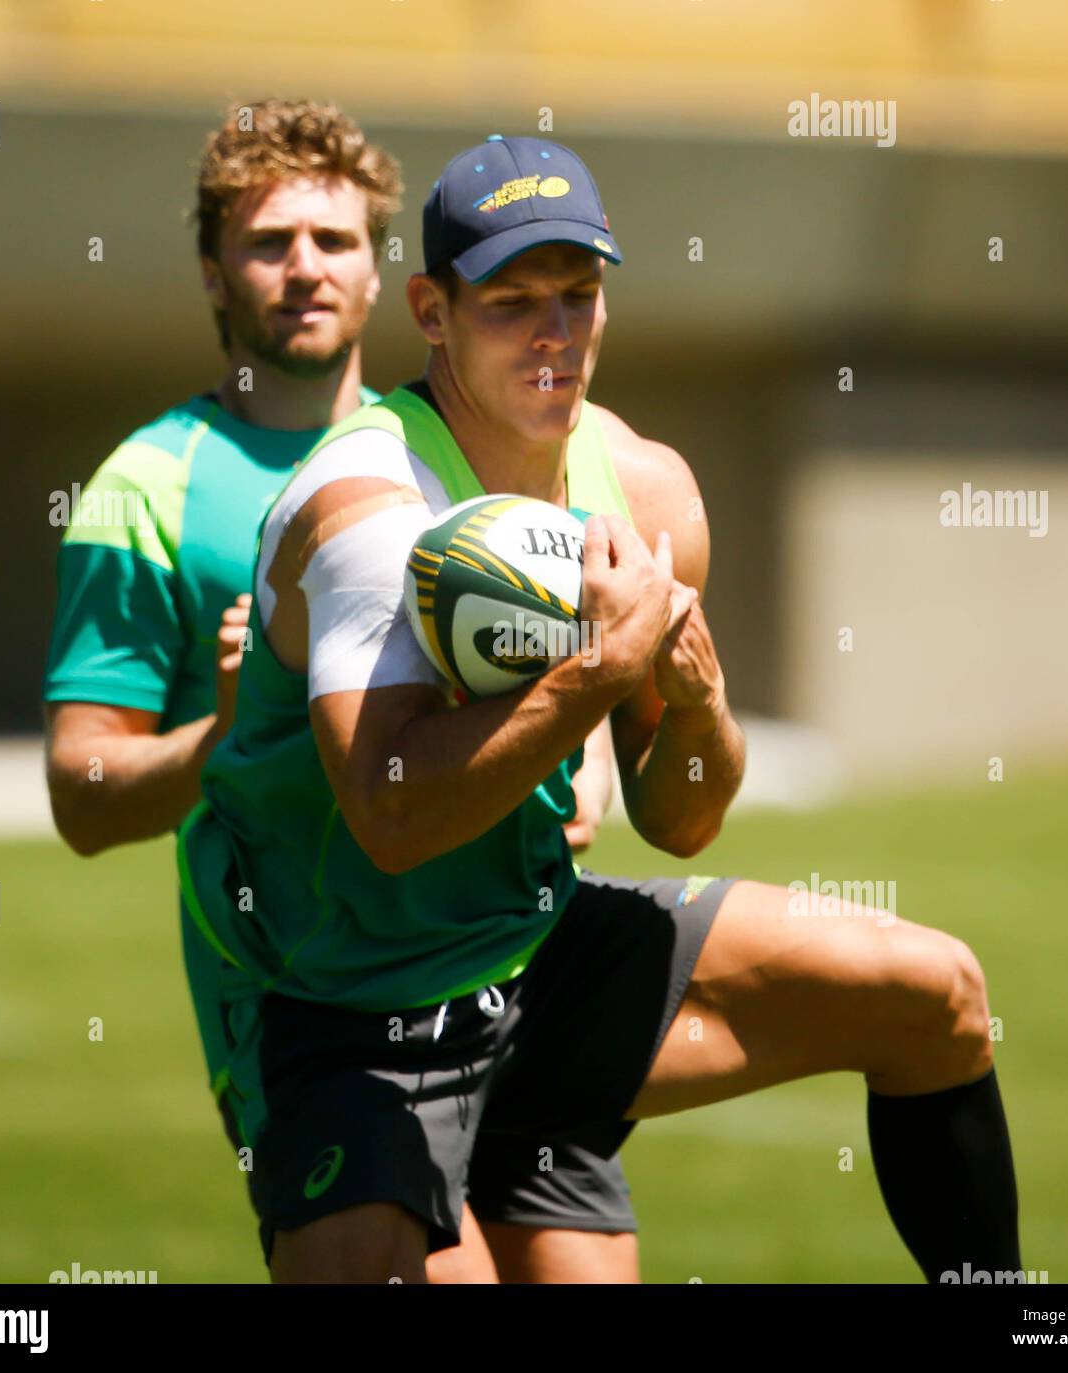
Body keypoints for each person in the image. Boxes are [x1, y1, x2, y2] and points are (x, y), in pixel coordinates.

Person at [179, 134, 1021, 1283]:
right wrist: (600, 666)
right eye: (513, 300)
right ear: (430, 309)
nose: (554, 333)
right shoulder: (369, 510)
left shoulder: (647, 486)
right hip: (342, 1000)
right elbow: (390, 812)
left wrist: (698, 700)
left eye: (578, 296)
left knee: (931, 991)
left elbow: (681, 818)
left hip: (535, 943)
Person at [43, 104, 641, 1283]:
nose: (305, 267)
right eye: (270, 242)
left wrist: (599, 744)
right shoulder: (144, 488)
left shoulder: (490, 444)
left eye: (334, 239)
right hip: (307, 995)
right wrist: (223, 734)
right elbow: (82, 793)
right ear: (215, 273)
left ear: (388, 276)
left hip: (505, 950)